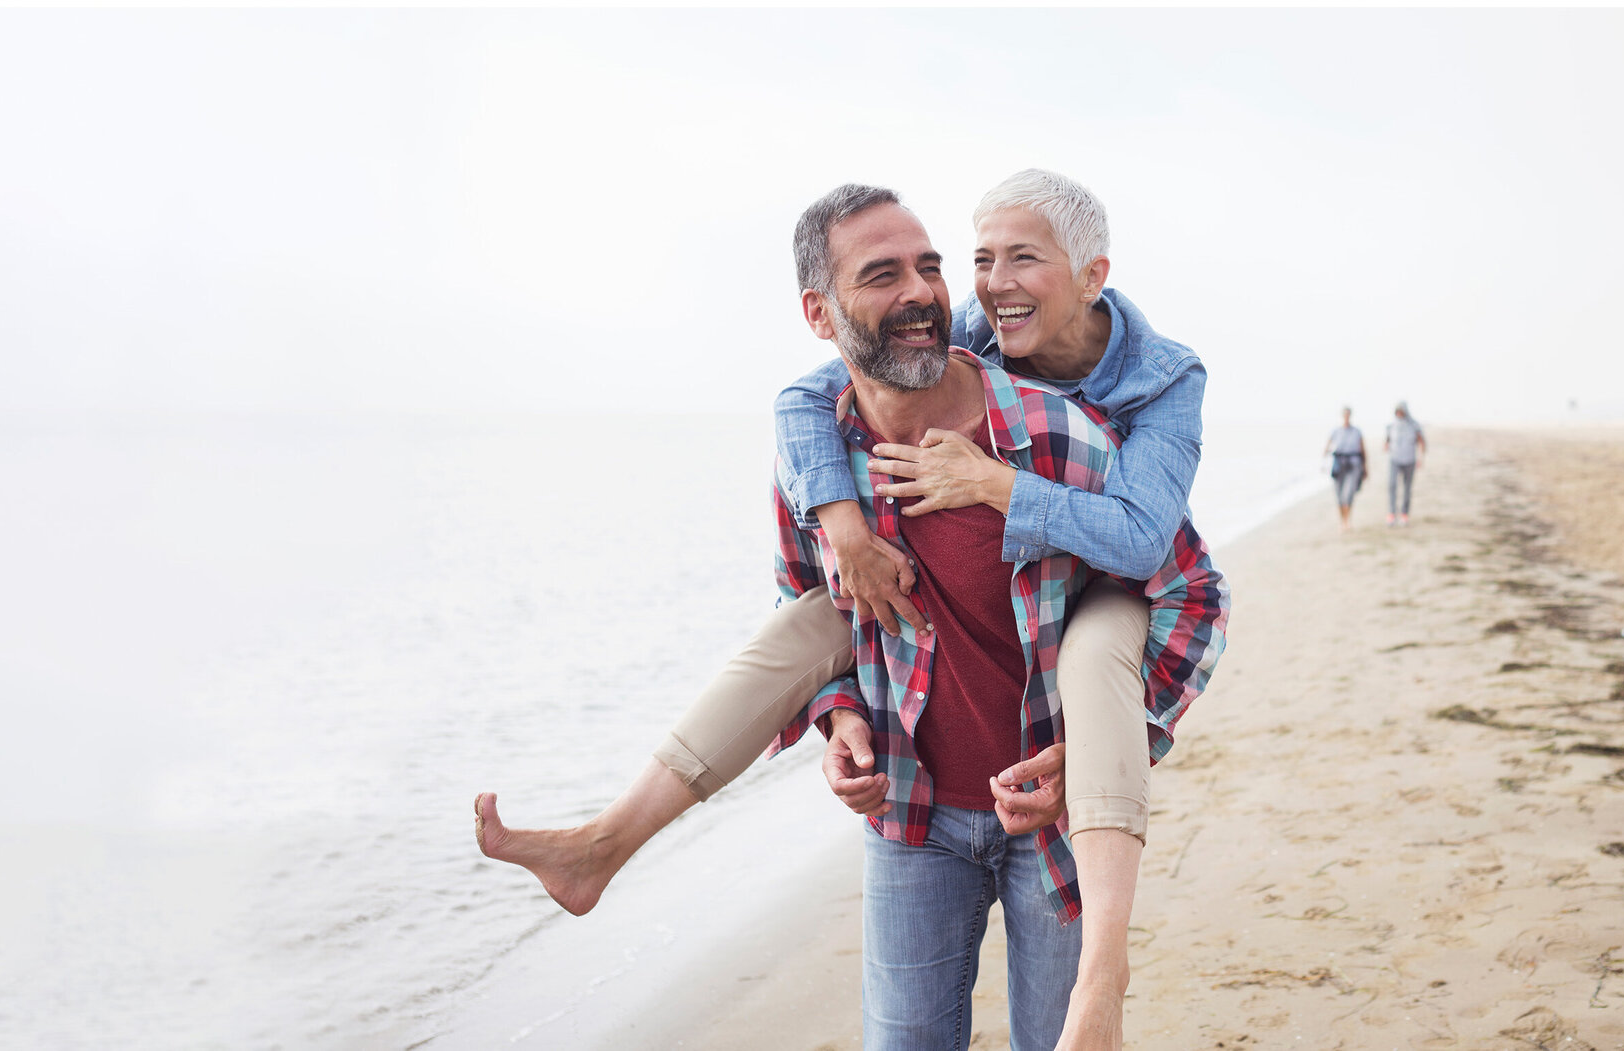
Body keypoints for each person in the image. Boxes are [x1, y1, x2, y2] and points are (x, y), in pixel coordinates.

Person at [476, 172, 1217, 1048]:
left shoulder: (1083, 419)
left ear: (1091, 277)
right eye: (891, 273)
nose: (933, 291)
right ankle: (605, 841)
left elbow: (1169, 565)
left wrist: (1109, 735)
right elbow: (802, 573)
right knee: (806, 623)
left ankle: (1106, 973)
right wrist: (840, 714)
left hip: (1054, 808)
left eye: (930, 268)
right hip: (912, 808)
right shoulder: (826, 443)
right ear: (819, 315)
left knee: (1095, 655)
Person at [1323, 406, 1367, 530]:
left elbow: (1363, 450)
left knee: (1348, 494)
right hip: (1338, 466)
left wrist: (1365, 468)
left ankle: (1347, 521)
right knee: (1339, 496)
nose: (1346, 417)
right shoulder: (1335, 431)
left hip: (1353, 465)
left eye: (1348, 414)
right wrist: (1325, 462)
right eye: (1344, 414)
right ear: (1342, 416)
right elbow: (1326, 449)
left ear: (1350, 415)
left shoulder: (1357, 431)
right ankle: (1342, 521)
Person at [1384, 400, 1427, 526]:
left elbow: (1421, 442)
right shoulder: (1392, 425)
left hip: (1409, 460)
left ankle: (1404, 514)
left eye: (1401, 411)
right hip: (1395, 459)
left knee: (1407, 488)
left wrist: (1421, 458)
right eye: (1397, 411)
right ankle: (1392, 513)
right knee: (1392, 485)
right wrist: (1386, 446)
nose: (1399, 413)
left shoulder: (1414, 425)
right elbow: (1387, 440)